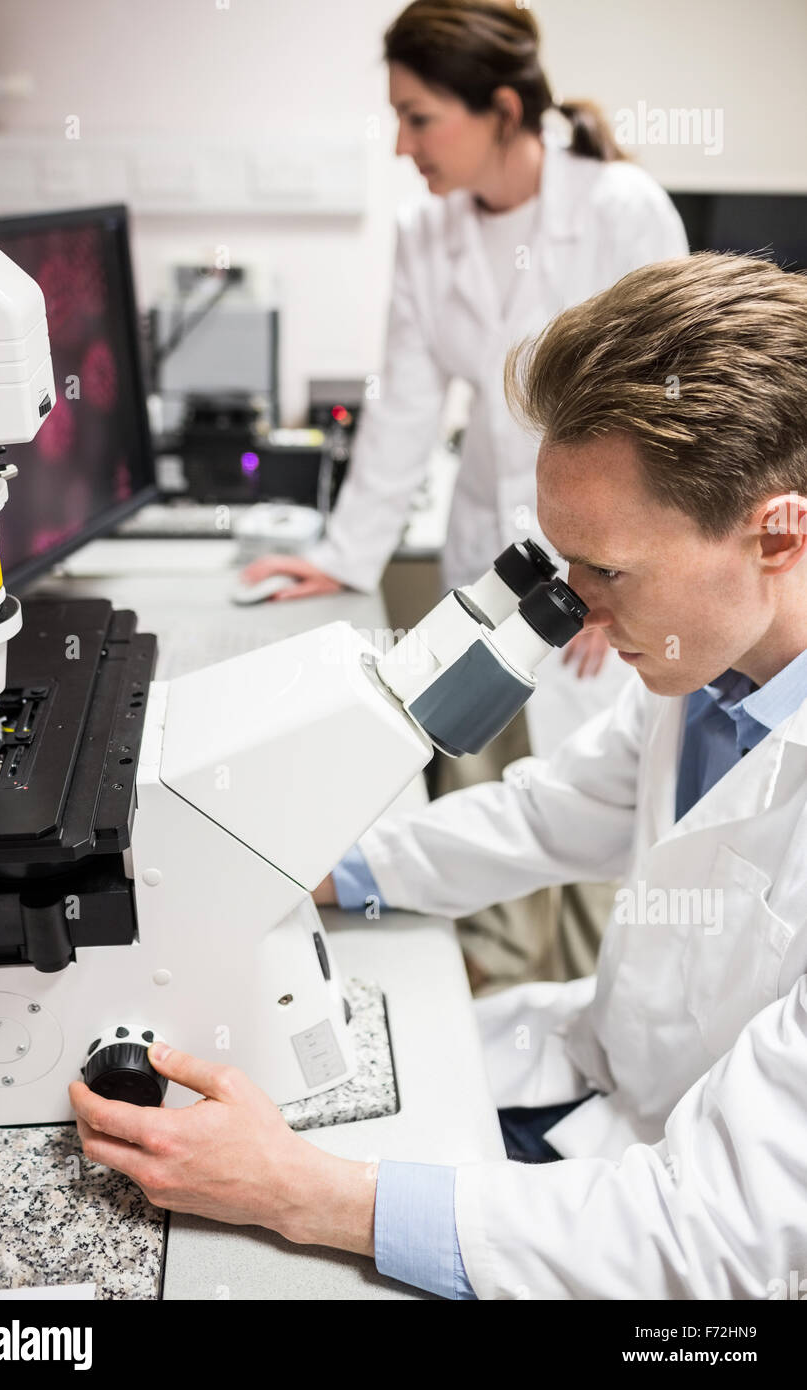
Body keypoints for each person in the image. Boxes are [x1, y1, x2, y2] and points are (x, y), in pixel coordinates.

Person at [72, 251, 807, 1299]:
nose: (575, 614)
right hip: (600, 1090)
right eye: (561, 565)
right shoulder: (714, 671)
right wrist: (298, 857)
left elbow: (709, 1234)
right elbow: (549, 812)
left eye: (606, 571)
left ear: (776, 533)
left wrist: (297, 1190)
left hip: (678, 1242)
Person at [243, 0, 689, 993]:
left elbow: (669, 417)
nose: (402, 146)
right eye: (396, 119)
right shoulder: (427, 231)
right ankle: (481, 1002)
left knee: (594, 829)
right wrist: (344, 556)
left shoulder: (619, 207)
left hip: (602, 581)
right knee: (477, 793)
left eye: (419, 118)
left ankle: (587, 1028)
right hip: (491, 570)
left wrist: (607, 583)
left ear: (499, 108)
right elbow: (402, 404)